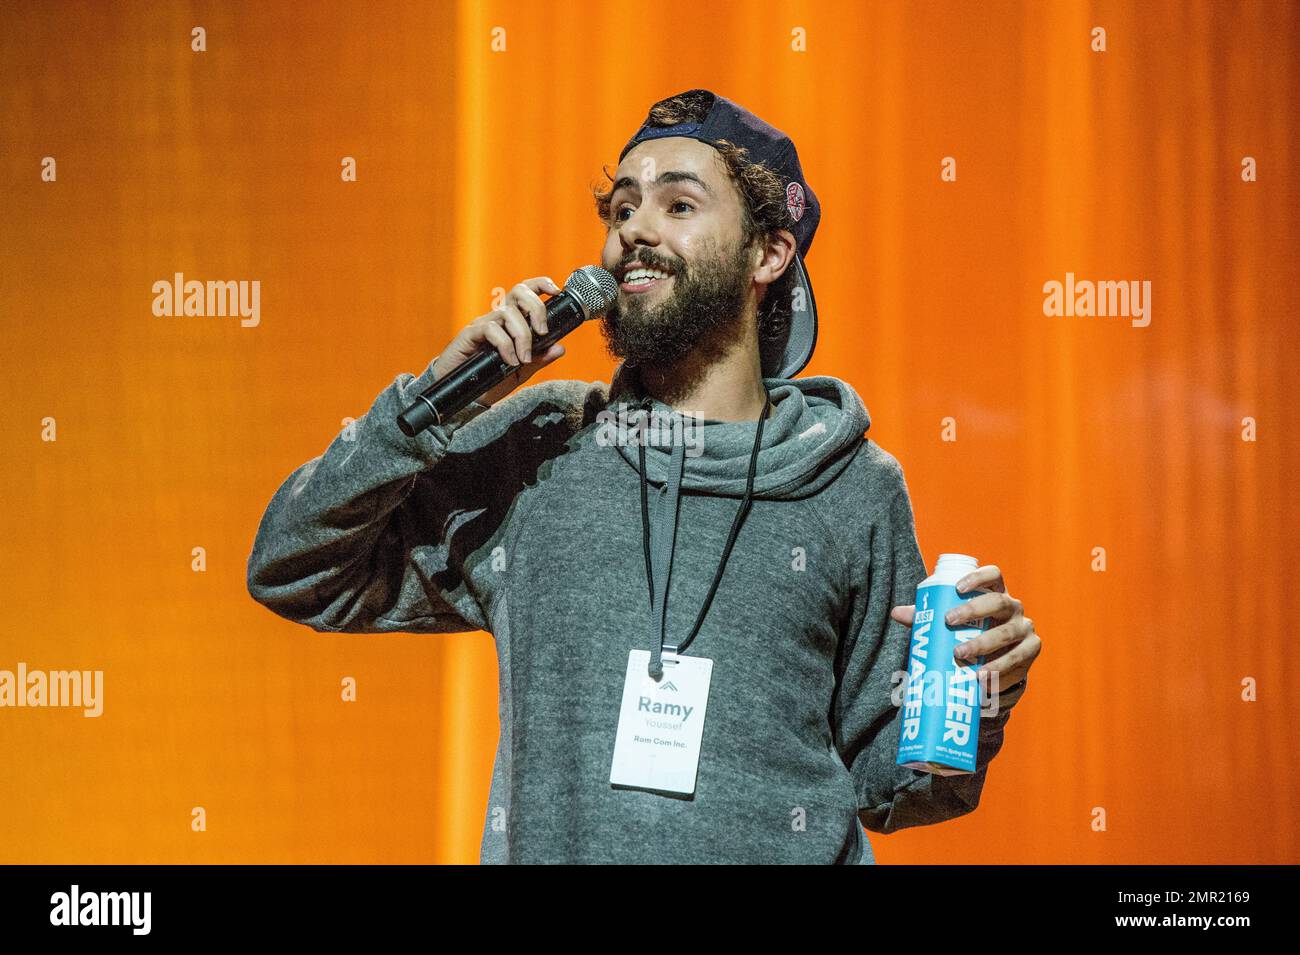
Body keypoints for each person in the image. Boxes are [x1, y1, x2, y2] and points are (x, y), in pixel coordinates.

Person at [246, 89, 1040, 864]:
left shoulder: (851, 482)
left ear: (768, 253)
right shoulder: (544, 446)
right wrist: (429, 406)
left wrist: (978, 698)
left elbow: (892, 785)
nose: (634, 232)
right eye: (621, 209)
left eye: (678, 205)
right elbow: (295, 568)